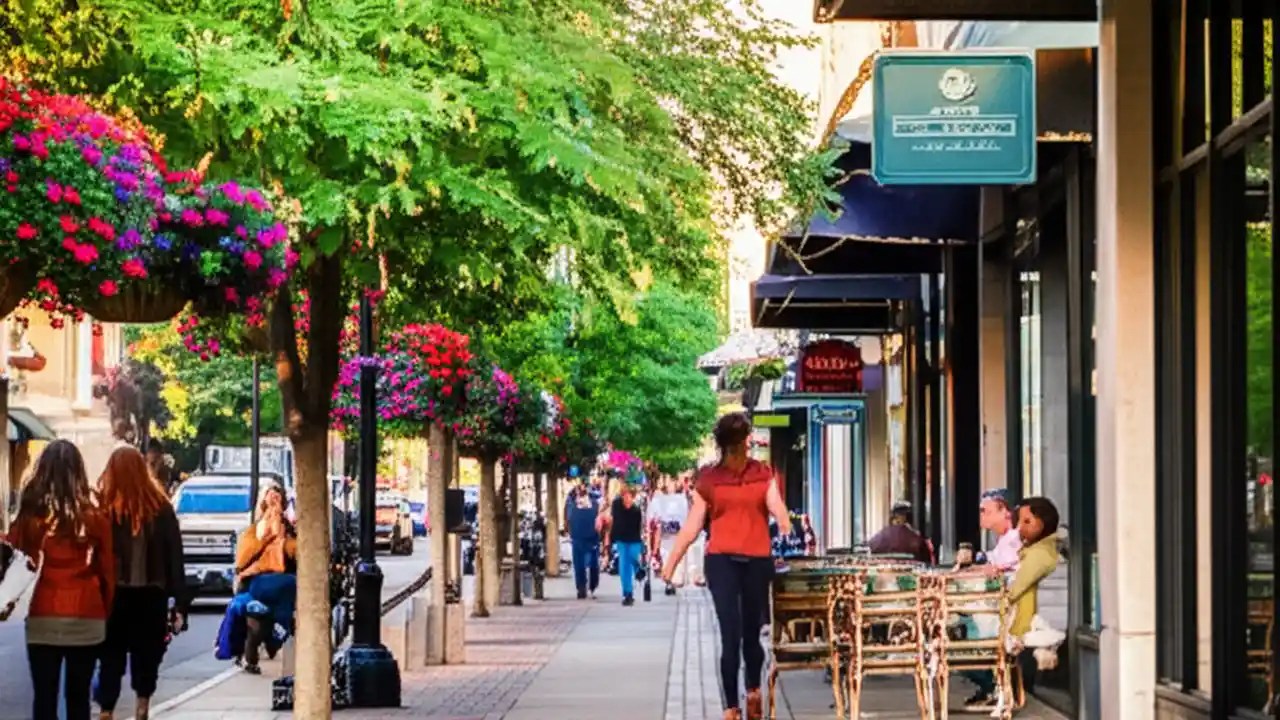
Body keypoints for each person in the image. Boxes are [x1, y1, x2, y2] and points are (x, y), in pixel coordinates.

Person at [662, 413, 791, 720]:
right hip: (746, 561)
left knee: (732, 635)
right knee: (747, 634)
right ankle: (748, 696)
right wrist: (785, 531)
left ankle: (734, 706)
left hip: (727, 562)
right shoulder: (758, 474)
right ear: (744, 440)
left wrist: (671, 564)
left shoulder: (716, 478)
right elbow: (780, 514)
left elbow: (693, 526)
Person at [7, 440, 115, 720]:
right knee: (78, 701)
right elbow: (108, 573)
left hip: (43, 613)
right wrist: (106, 611)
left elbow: (14, 558)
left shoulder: (31, 516)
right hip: (87, 615)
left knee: (44, 699)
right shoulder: (94, 518)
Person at [96, 446, 187, 720]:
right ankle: (142, 708)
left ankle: (106, 710)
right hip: (151, 596)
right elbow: (175, 557)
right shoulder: (160, 508)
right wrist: (180, 603)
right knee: (146, 657)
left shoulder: (103, 508)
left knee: (110, 658)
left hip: (113, 596)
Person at [965, 496, 1061, 709]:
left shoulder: (1039, 554)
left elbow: (1014, 590)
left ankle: (993, 686)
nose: (1020, 528)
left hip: (1021, 623)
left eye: (1027, 522)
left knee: (964, 633)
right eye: (1020, 521)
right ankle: (994, 686)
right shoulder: (1033, 550)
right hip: (1018, 618)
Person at [227, 484, 297, 673]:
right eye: (270, 498)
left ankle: (270, 638)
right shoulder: (252, 531)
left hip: (279, 581)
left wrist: (284, 538)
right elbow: (242, 561)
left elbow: (296, 553)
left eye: (278, 498)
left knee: (289, 589)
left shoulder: (287, 530)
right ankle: (274, 636)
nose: (274, 503)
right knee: (290, 586)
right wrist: (266, 536)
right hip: (257, 580)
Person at [602, 484, 645, 606]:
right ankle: (627, 593)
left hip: (634, 540)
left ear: (633, 497)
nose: (627, 498)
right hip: (620, 539)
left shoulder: (636, 511)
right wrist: (608, 537)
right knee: (624, 567)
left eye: (629, 496)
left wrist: (643, 543)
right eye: (624, 495)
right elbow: (611, 519)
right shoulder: (616, 505)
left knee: (632, 560)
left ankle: (638, 570)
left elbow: (639, 528)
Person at [648, 476, 690, 594]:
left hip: (676, 533)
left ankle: (672, 580)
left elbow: (684, 515)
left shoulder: (681, 498)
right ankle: (669, 581)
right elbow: (653, 515)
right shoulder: (658, 498)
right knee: (666, 555)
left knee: (674, 555)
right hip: (665, 533)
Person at [563, 478, 602, 599]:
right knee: (579, 564)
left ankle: (592, 585)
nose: (581, 488)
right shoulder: (571, 501)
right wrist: (568, 530)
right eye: (579, 486)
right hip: (578, 537)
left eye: (583, 486)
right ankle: (581, 588)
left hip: (592, 537)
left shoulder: (595, 501)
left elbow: (600, 516)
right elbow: (567, 518)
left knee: (593, 564)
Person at [866, 501, 933, 563]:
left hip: (882, 573)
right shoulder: (917, 540)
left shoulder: (879, 538)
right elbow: (927, 562)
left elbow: (868, 551)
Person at [979, 488, 1021, 575]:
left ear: (1005, 512)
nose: (981, 515)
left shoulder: (1015, 537)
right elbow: (994, 557)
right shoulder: (1005, 537)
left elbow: (1000, 565)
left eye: (985, 511)